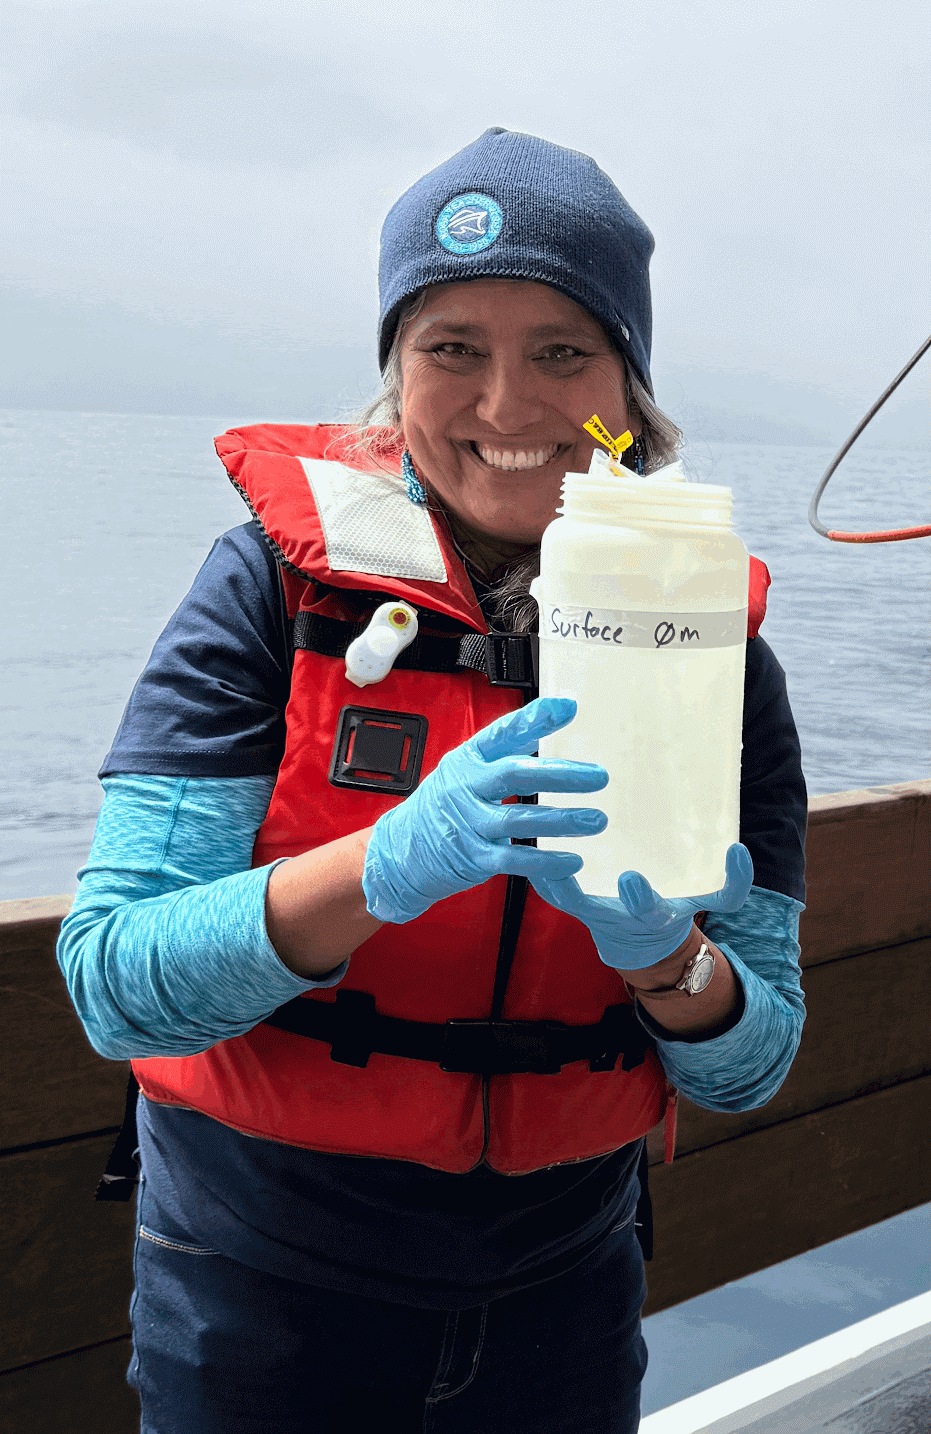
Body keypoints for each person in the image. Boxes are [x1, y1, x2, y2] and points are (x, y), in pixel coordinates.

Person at [58, 127, 807, 1434]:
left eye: (563, 352)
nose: (508, 408)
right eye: (450, 348)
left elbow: (750, 1063)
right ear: (393, 377)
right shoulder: (264, 595)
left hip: (565, 1286)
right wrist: (388, 865)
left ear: (627, 390)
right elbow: (116, 984)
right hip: (259, 1291)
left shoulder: (718, 659)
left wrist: (664, 960)